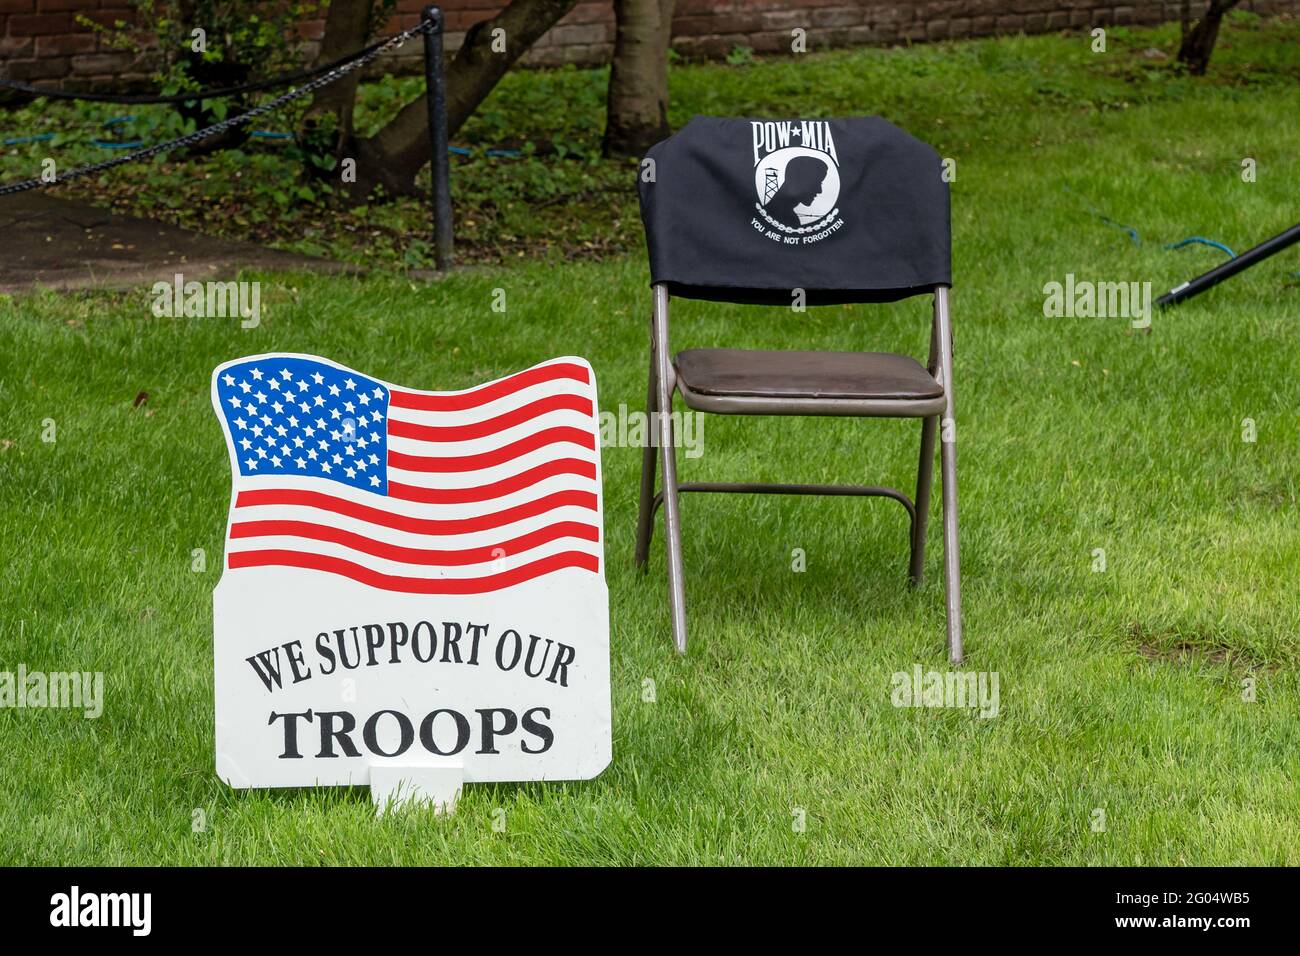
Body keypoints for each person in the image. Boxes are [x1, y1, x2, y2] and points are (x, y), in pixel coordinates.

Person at [763, 155, 827, 229]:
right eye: (815, 183)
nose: (820, 191)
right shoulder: (788, 219)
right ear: (797, 182)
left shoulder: (784, 217)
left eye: (820, 184)